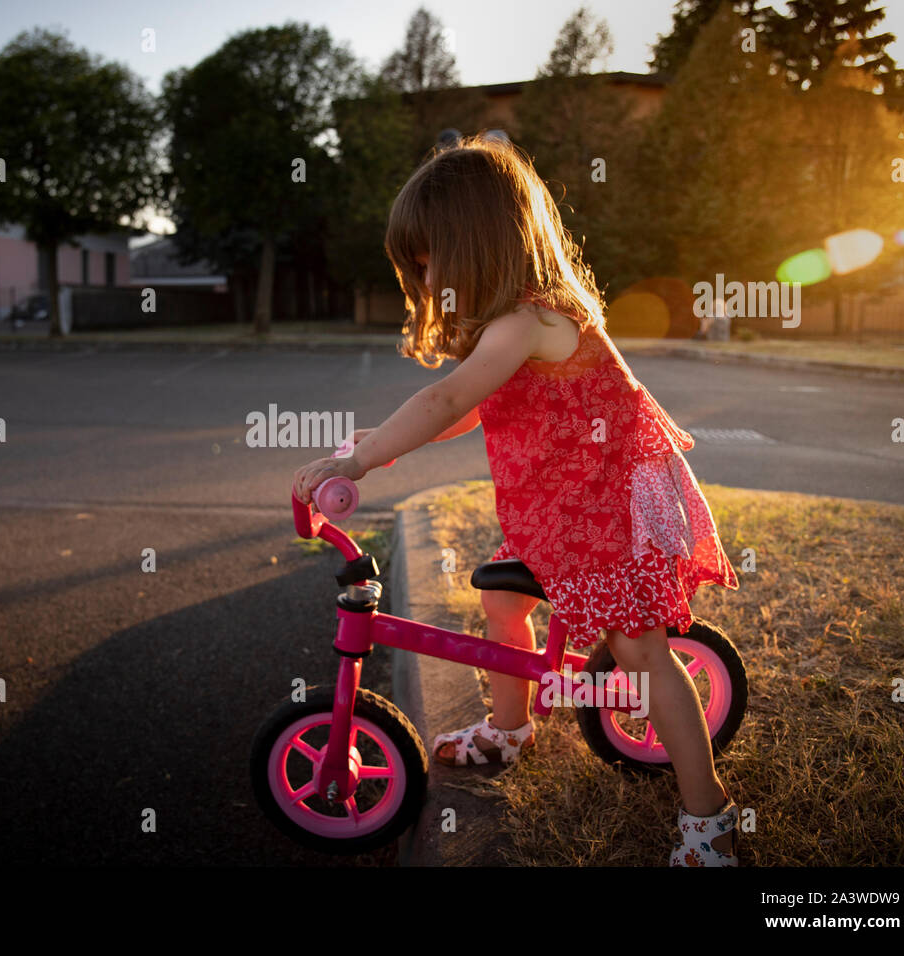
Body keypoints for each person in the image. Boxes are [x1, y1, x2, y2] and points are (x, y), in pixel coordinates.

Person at [292, 134, 742, 866]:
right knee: (502, 606)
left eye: (428, 257)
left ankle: (710, 821)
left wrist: (363, 458)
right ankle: (511, 729)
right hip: (561, 513)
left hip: (607, 515)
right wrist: (364, 445)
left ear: (474, 244)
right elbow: (461, 410)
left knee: (641, 650)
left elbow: (445, 398)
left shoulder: (535, 319)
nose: (424, 274)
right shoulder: (509, 329)